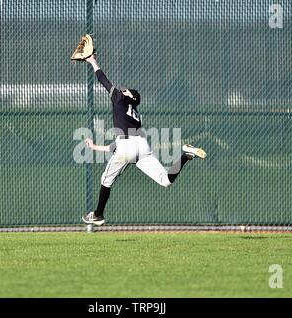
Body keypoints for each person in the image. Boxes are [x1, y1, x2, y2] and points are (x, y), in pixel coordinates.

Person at [82, 54, 206, 226]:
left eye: (125, 91)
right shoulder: (135, 114)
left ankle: (98, 215)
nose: (121, 90)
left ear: (129, 97)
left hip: (127, 145)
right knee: (165, 180)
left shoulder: (119, 99)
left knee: (106, 180)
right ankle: (185, 155)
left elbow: (103, 79)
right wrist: (95, 147)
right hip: (141, 145)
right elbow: (117, 146)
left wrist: (92, 61)